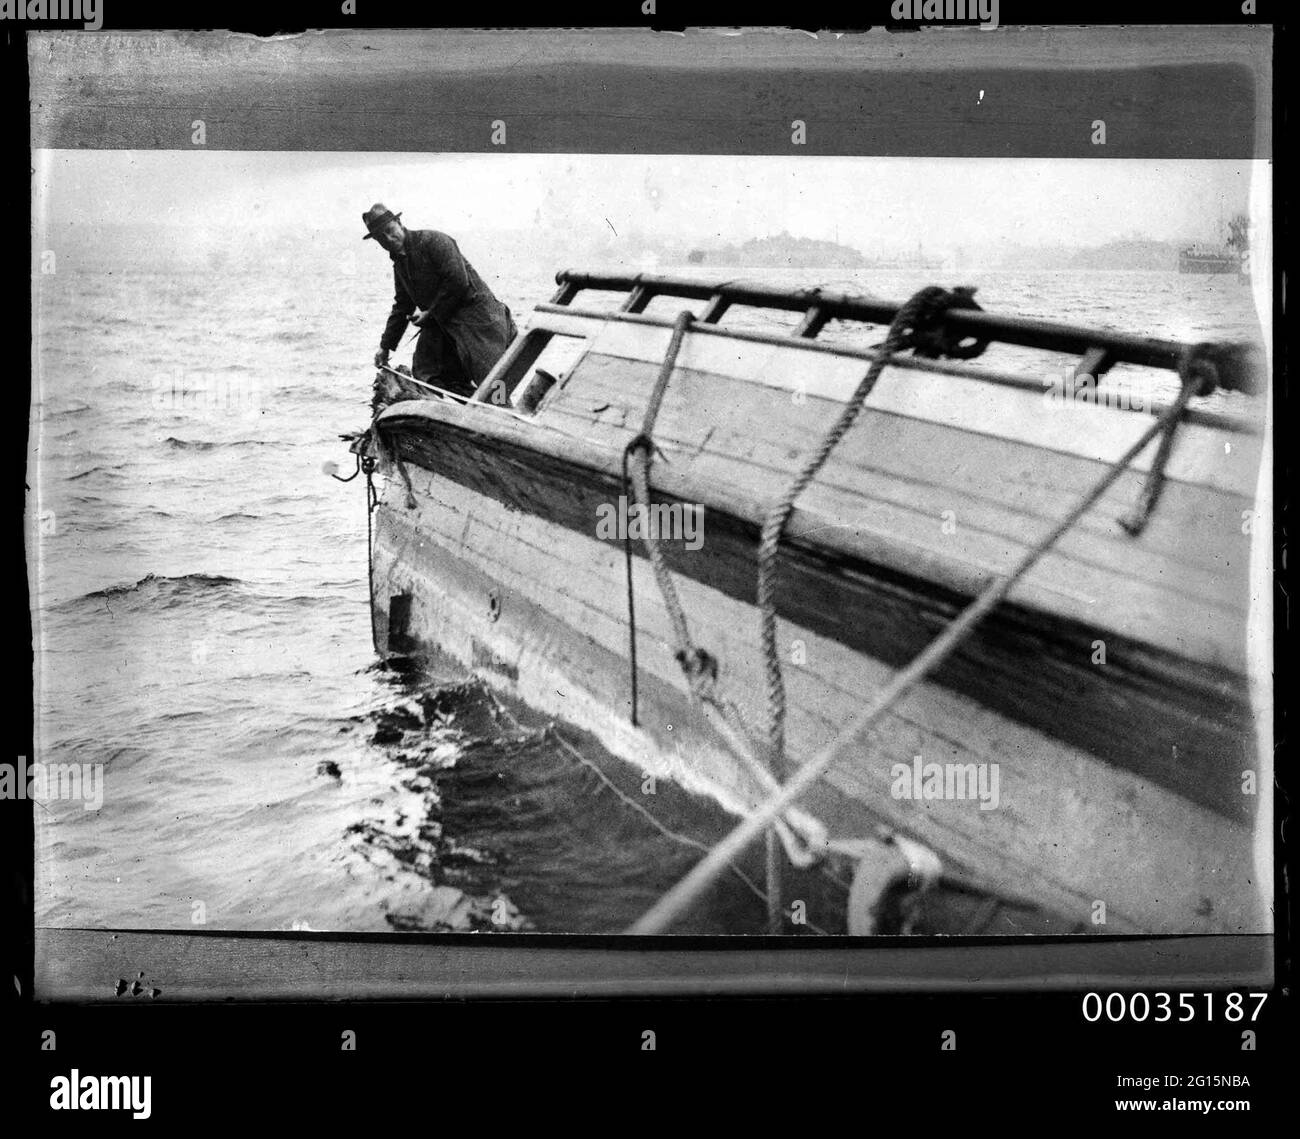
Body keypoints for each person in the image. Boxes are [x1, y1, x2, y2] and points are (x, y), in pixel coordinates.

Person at [362, 203, 517, 398]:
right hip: (446, 323)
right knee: (427, 373)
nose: (388, 239)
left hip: (481, 319)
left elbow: (458, 282)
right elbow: (402, 306)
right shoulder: (400, 265)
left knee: (494, 382)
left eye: (389, 230)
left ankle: (503, 414)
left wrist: (431, 314)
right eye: (380, 237)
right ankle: (473, 408)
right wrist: (385, 346)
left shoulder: (433, 241)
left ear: (399, 223)